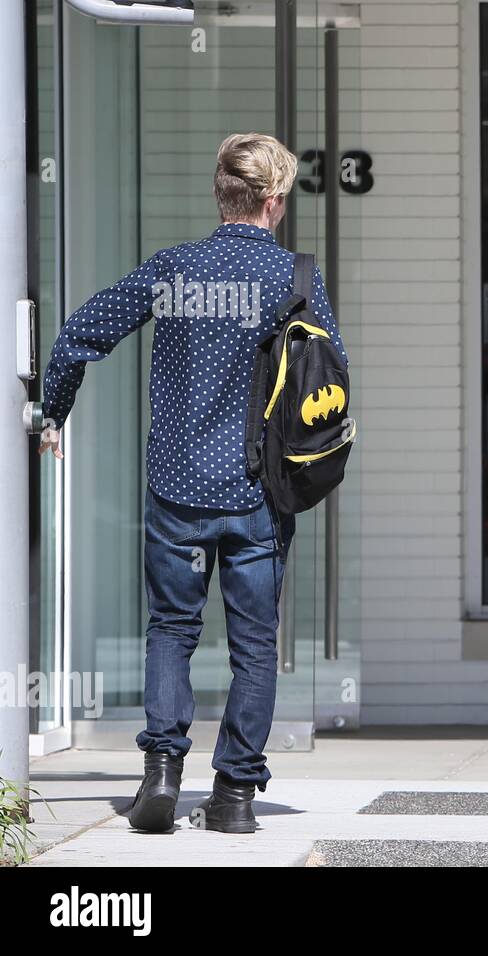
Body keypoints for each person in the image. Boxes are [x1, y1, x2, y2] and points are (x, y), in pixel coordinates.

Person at [38, 132, 349, 834]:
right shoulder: (295, 279)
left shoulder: (173, 269)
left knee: (172, 630)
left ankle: (160, 777)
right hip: (259, 496)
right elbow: (329, 379)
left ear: (222, 192)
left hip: (177, 491)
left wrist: (53, 414)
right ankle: (236, 795)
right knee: (255, 645)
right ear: (273, 202)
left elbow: (77, 334)